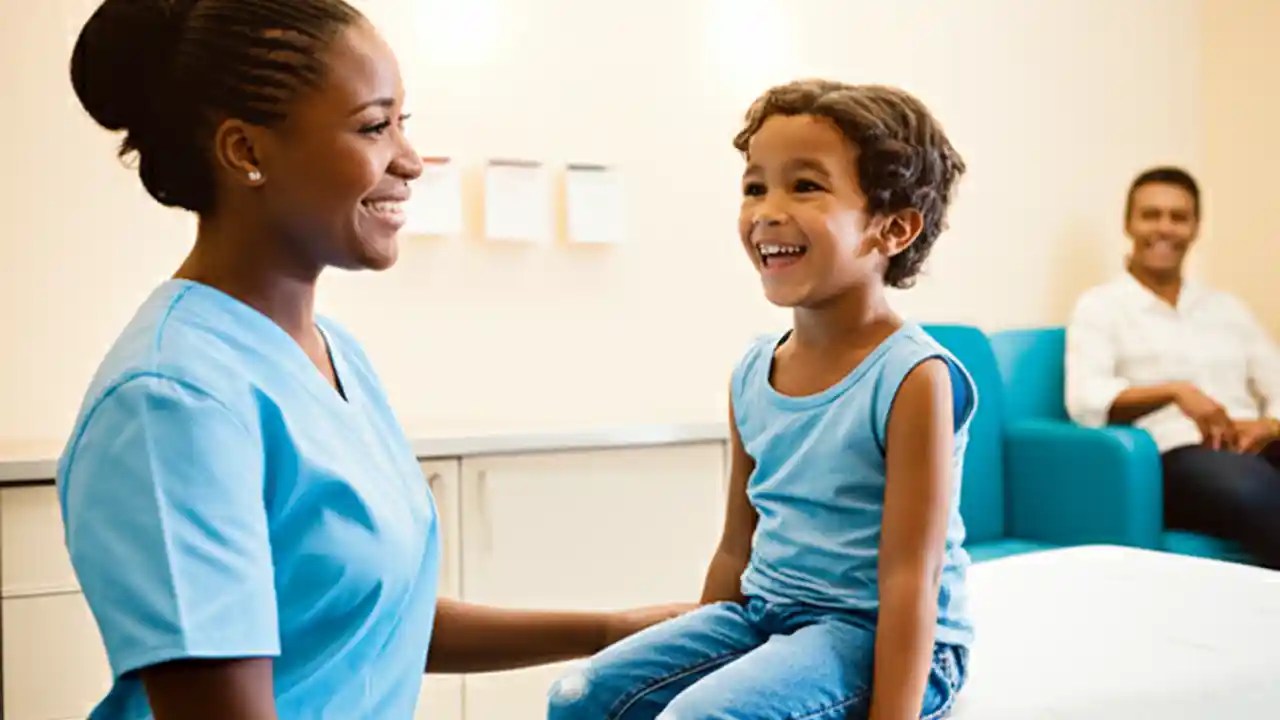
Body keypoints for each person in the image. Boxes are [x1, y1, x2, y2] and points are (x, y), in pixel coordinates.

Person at [58, 2, 687, 718]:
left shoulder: (332, 356)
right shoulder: (172, 400)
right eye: (372, 126)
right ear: (246, 152)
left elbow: (367, 619)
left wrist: (609, 631)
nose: (411, 162)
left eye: (403, 124)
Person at [547, 79, 975, 720]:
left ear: (892, 229)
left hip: (871, 633)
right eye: (754, 187)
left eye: (804, 186)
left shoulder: (914, 377)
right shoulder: (753, 370)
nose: (767, 211)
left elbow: (910, 580)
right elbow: (734, 548)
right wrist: (693, 663)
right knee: (580, 697)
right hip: (763, 614)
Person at [1065, 166, 1280, 569]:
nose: (1164, 228)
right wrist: (1175, 391)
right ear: (1129, 223)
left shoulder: (1225, 307)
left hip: (1250, 447)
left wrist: (1268, 426)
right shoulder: (1101, 306)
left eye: (1178, 217)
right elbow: (1085, 402)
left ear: (1196, 228)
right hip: (1174, 458)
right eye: (1151, 215)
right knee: (1254, 488)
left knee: (1259, 473)